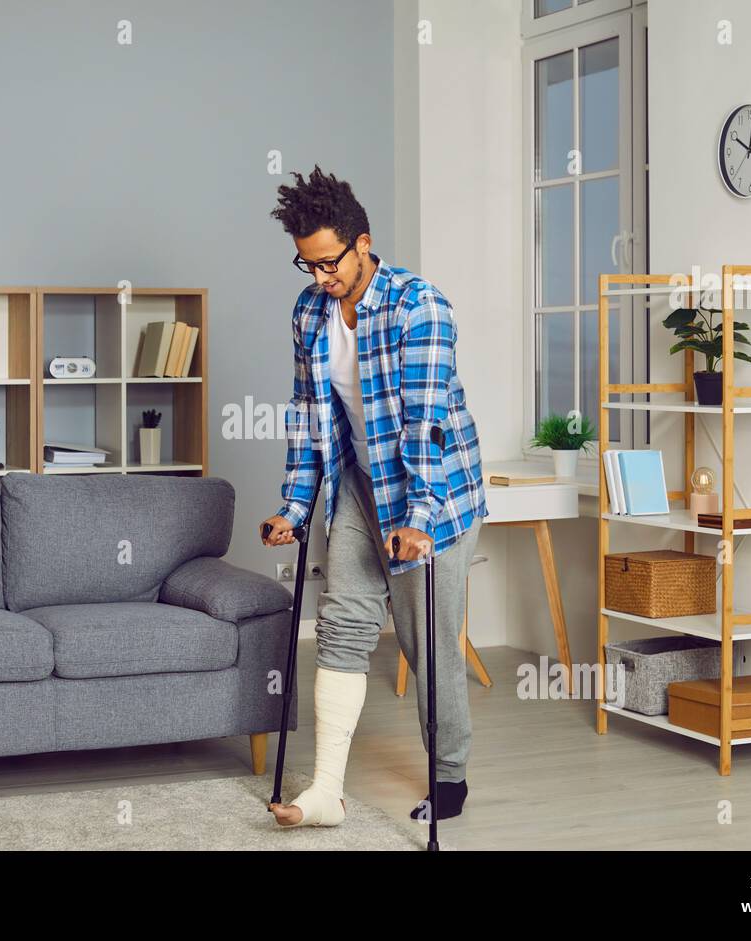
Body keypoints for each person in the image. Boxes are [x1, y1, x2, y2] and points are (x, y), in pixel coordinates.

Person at [260, 166, 487, 828]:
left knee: (426, 642)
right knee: (343, 622)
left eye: (330, 263)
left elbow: (427, 427)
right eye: (308, 267)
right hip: (361, 482)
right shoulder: (310, 312)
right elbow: (309, 416)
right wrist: (294, 508)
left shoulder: (421, 307)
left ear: (364, 243)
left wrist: (418, 523)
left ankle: (450, 779)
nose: (321, 279)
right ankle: (327, 790)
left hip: (434, 490)